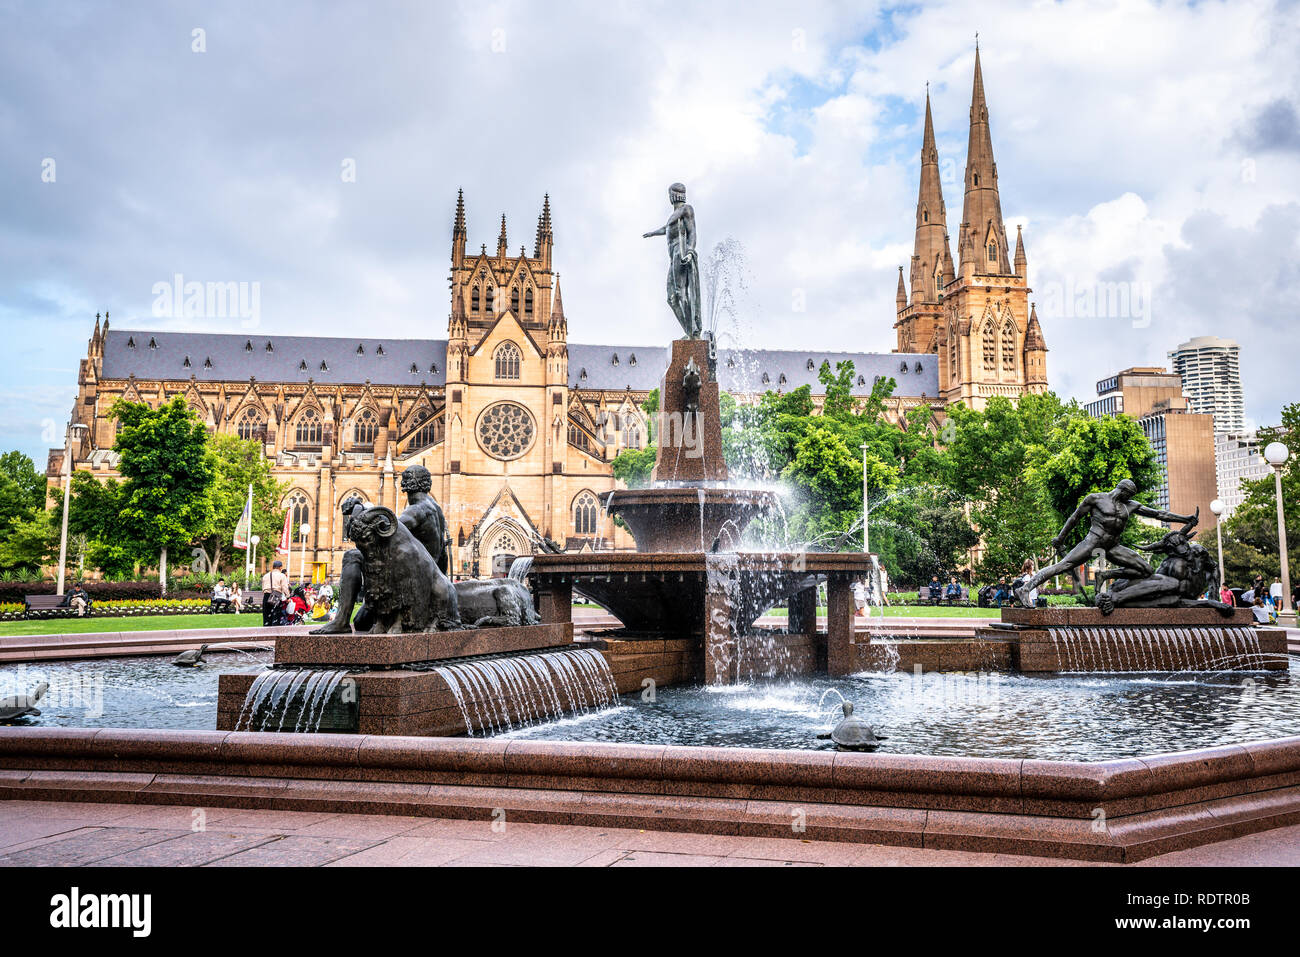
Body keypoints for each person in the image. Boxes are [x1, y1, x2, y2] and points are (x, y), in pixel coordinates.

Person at [261, 560, 290, 626]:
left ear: (273, 567)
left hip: (266, 596)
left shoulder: (265, 575)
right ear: (280, 567)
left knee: (266, 617)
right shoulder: (282, 575)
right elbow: (284, 587)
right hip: (276, 596)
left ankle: (266, 633)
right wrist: (288, 597)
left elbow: (263, 588)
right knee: (276, 617)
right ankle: (274, 634)